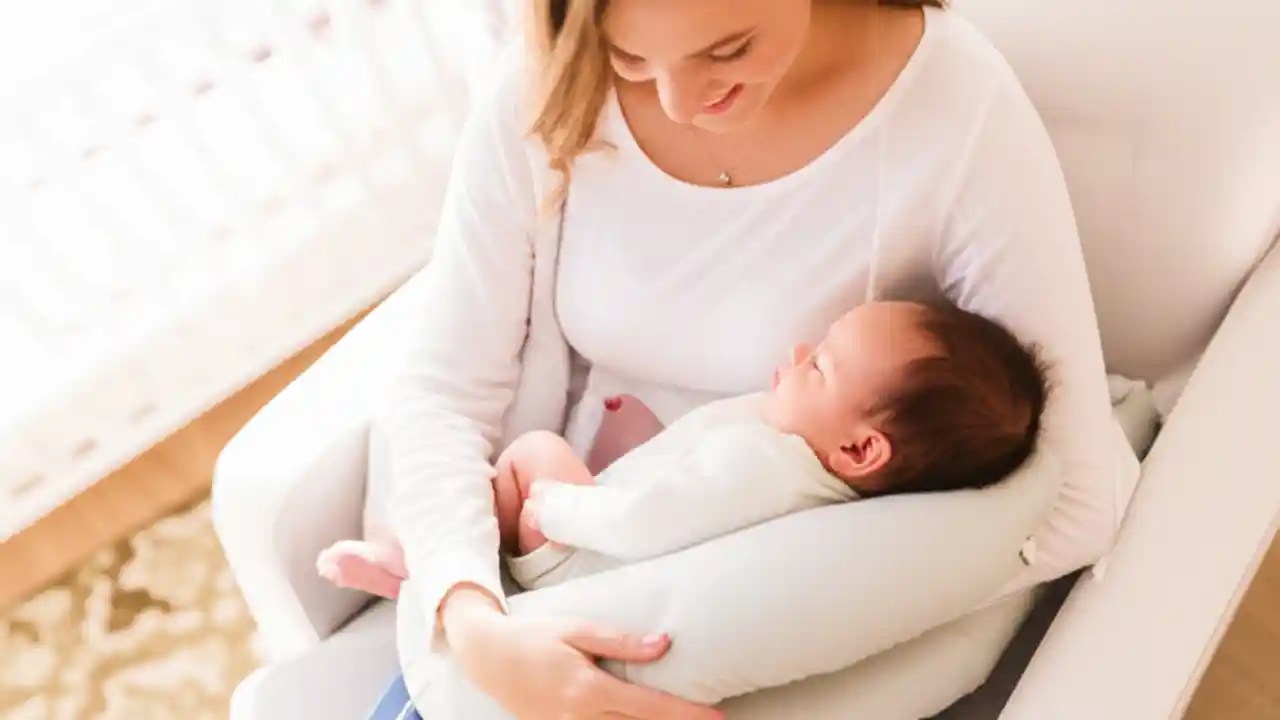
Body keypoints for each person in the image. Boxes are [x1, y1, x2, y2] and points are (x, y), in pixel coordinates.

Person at [372, 0, 1137, 717]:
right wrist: (476, 626)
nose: (677, 100)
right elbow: (445, 393)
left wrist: (761, 615)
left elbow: (1071, 499)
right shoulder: (545, 91)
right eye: (631, 57)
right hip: (530, 591)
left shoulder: (954, 113)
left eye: (728, 48)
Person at [322, 302, 1048, 598]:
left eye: (819, 365)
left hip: (587, 555)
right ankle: (427, 564)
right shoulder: (808, 484)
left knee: (530, 456)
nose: (798, 351)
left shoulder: (769, 463)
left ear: (859, 448)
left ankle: (414, 562)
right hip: (598, 546)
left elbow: (656, 519)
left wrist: (563, 504)